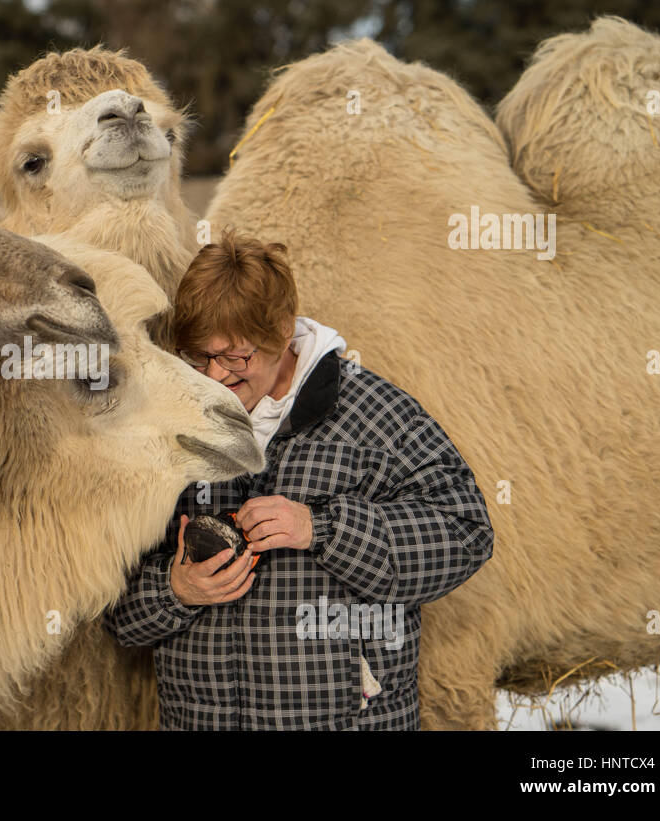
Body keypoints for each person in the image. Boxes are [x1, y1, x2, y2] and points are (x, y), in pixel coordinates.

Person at [105, 229, 494, 730]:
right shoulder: (171, 424)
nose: (215, 377)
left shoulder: (376, 417)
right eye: (199, 358)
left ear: (282, 332)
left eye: (236, 357)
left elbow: (466, 535)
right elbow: (114, 605)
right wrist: (175, 590)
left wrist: (321, 529)